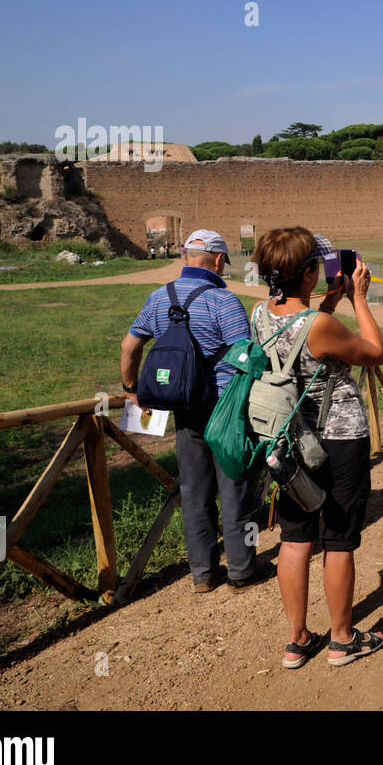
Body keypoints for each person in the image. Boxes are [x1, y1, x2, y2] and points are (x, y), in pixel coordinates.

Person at [249, 226, 383, 668]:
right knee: (339, 538)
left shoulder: (258, 314)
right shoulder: (321, 324)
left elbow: (301, 328)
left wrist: (328, 298)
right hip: (339, 437)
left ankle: (296, 641)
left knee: (295, 537)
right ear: (309, 273)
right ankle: (343, 639)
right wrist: (358, 297)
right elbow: (375, 351)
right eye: (317, 266)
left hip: (289, 441)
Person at [120, 229, 263, 593]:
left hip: (184, 410)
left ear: (185, 257)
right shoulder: (223, 301)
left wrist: (131, 390)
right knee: (234, 489)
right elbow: (244, 357)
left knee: (195, 492)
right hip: (225, 410)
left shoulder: (157, 298)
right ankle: (242, 572)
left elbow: (130, 345)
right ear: (217, 260)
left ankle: (202, 574)